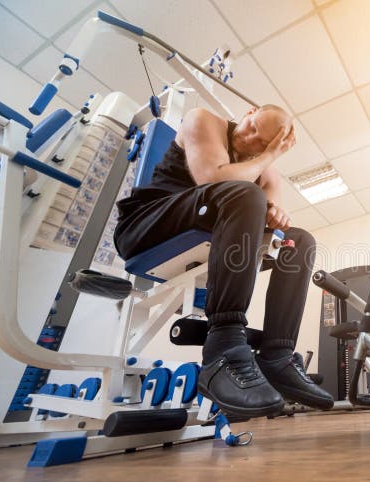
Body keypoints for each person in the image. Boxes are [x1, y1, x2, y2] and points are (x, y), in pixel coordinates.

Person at [113, 104, 333, 417]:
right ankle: (224, 348)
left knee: (298, 242)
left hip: (206, 232)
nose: (250, 137)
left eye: (263, 142)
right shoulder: (204, 121)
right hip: (146, 225)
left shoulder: (267, 173)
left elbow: (272, 226)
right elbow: (212, 179)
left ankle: (277, 356)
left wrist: (276, 215)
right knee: (245, 194)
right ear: (249, 111)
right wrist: (269, 156)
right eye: (252, 125)